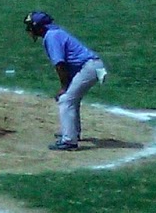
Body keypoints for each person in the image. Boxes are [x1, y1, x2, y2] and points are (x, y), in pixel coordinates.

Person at [25, 11, 106, 151]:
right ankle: (73, 132)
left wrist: (64, 87)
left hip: (88, 67)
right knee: (72, 99)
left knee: (66, 99)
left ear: (38, 26)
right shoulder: (55, 32)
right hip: (91, 66)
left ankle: (69, 141)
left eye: (31, 26)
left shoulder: (51, 37)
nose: (29, 30)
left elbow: (60, 65)